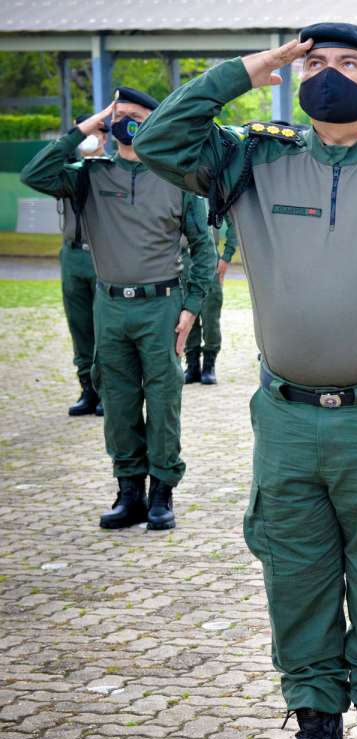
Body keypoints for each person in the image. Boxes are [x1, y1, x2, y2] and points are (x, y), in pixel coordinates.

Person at [134, 24, 357, 739]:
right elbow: (161, 140)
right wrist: (245, 71)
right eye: (315, 63)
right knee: (294, 576)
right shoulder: (252, 157)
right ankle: (317, 737)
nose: (329, 75)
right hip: (286, 418)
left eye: (349, 64)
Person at [22, 87, 216, 533]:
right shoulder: (90, 176)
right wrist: (85, 128)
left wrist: (191, 309)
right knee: (118, 401)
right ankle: (128, 492)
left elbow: (203, 249)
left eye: (136, 116)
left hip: (162, 307)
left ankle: (162, 494)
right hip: (109, 307)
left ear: (154, 123)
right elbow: (36, 174)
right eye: (119, 114)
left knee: (164, 402)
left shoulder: (178, 179)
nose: (125, 122)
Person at [57, 114, 107, 417]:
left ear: (105, 138)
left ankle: (104, 391)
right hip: (73, 256)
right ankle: (86, 390)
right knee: (80, 327)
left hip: (103, 256)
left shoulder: (111, 171)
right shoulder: (67, 174)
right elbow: (35, 172)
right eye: (86, 132)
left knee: (104, 328)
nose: (91, 138)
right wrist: (75, 136)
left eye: (96, 132)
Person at [184, 219, 238, 385]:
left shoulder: (211, 197)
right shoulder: (179, 196)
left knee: (210, 317)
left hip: (209, 260)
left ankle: (209, 365)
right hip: (183, 261)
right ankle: (192, 366)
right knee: (187, 316)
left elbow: (234, 225)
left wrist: (226, 256)